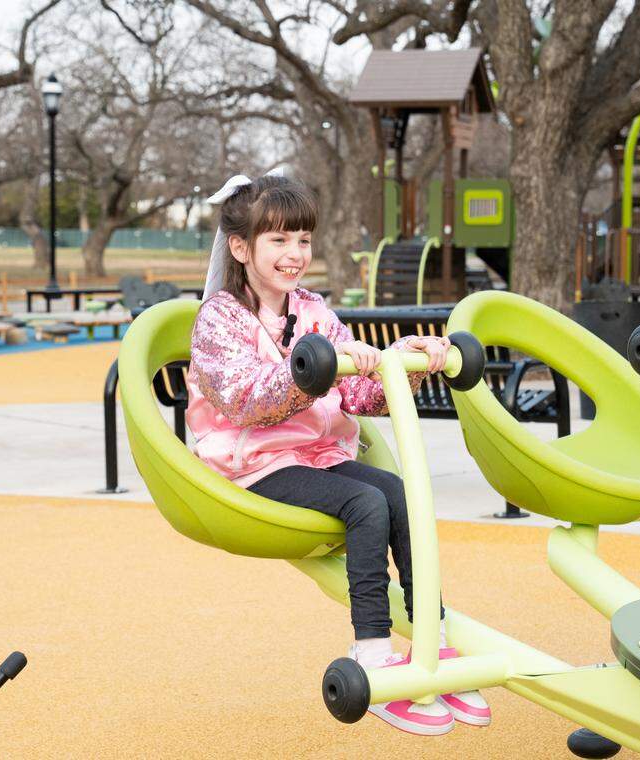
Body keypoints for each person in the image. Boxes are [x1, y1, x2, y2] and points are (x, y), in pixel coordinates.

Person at [185, 171, 490, 736]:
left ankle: (433, 640)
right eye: (277, 240)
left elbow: (361, 392)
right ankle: (371, 649)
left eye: (302, 239)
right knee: (365, 504)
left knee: (396, 493)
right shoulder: (219, 320)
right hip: (251, 462)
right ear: (241, 247)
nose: (294, 253)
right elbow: (247, 401)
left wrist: (403, 358)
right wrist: (308, 370)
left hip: (313, 455)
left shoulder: (313, 310)